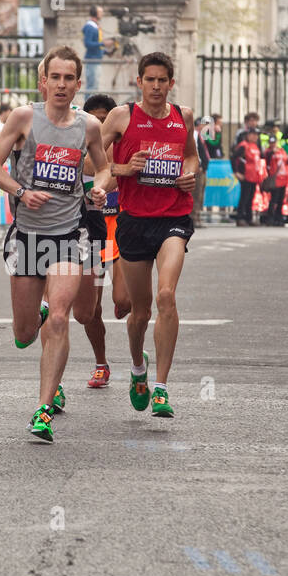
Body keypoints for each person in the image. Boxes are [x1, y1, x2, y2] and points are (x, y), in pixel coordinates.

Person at [0, 47, 109, 441]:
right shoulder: (24, 118)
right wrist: (21, 191)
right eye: (54, 77)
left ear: (77, 83)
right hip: (26, 237)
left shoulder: (88, 126)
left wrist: (101, 189)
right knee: (24, 335)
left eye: (68, 78)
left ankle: (42, 410)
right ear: (44, 81)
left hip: (68, 236)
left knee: (60, 318)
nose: (60, 84)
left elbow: (103, 167)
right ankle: (32, 318)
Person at [100, 51, 197, 418]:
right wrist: (123, 169)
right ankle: (137, 370)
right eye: (149, 80)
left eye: (162, 80)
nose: (156, 86)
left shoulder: (182, 117)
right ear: (138, 81)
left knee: (167, 295)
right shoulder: (122, 117)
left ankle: (161, 387)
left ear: (171, 83)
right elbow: (93, 159)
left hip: (173, 216)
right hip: (134, 219)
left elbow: (191, 156)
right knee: (138, 312)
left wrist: (189, 173)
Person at [71, 93, 125, 390]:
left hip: (122, 225)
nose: (101, 126)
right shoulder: (80, 147)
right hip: (92, 228)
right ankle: (101, 363)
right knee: (88, 311)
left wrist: (118, 172)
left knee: (124, 301)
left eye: (106, 120)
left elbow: (124, 173)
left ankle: (135, 348)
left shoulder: (123, 144)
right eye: (95, 120)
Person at [233, 128, 262, 226]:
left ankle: (248, 218)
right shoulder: (243, 146)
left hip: (254, 176)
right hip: (245, 175)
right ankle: (240, 217)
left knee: (251, 197)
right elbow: (233, 157)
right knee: (244, 197)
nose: (255, 137)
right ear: (248, 135)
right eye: (253, 134)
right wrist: (236, 172)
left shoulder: (255, 146)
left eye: (256, 135)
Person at [82, 6, 109, 91]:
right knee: (92, 86)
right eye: (100, 12)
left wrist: (106, 52)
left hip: (96, 60)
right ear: (95, 13)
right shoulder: (90, 26)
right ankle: (89, 104)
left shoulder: (95, 26)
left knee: (95, 86)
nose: (102, 14)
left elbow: (96, 45)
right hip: (92, 60)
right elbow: (88, 43)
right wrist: (103, 43)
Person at [191, 116, 211, 227]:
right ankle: (194, 218)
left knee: (200, 194)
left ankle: (197, 216)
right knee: (196, 194)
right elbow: (196, 151)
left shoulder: (200, 136)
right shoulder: (193, 134)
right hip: (197, 168)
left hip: (201, 168)